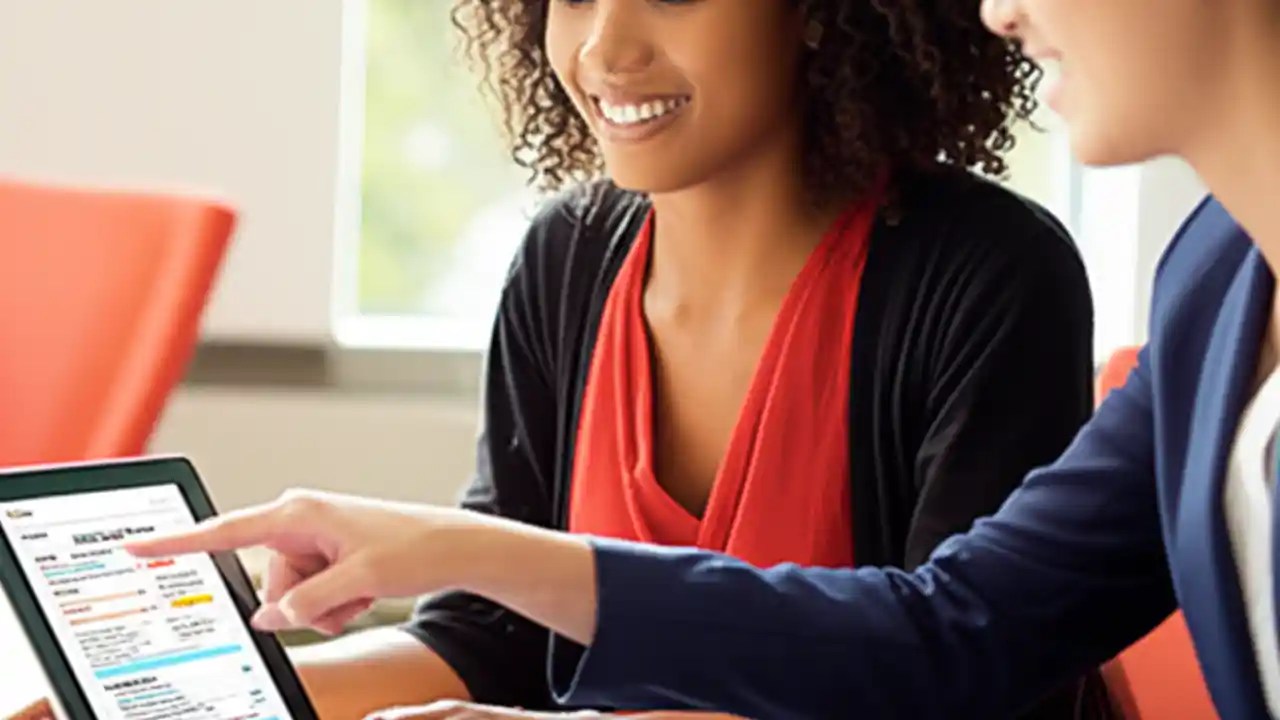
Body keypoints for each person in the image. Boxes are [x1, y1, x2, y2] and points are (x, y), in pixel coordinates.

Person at [60, 2, 1131, 720]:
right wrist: (216, 702)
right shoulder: (568, 259)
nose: (605, 48)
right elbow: (490, 639)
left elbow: (947, 681)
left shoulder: (986, 274)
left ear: (815, 11)